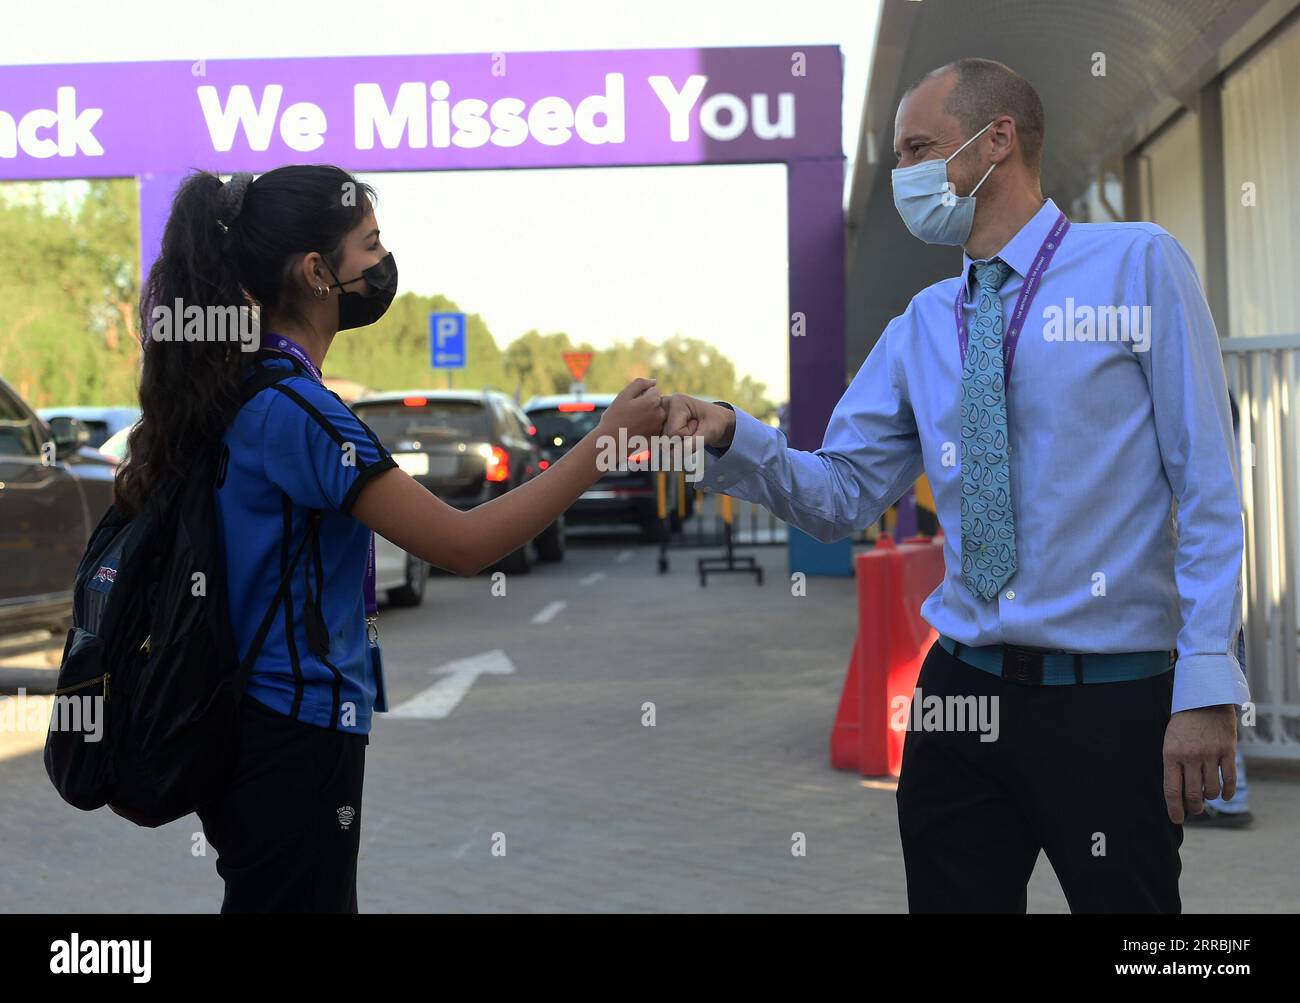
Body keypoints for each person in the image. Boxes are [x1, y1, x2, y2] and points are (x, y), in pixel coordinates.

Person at [664, 59, 1249, 912]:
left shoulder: (1138, 268)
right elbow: (837, 496)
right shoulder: (922, 327)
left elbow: (1207, 488)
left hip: (1112, 700)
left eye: (919, 148)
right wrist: (730, 432)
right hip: (960, 700)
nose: (904, 174)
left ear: (997, 140)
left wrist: (1205, 682)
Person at [116, 165, 664, 912]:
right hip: (291, 730)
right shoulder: (300, 412)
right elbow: (463, 543)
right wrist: (604, 444)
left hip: (248, 726)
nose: (383, 263)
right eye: (369, 245)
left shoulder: (234, 391)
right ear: (316, 272)